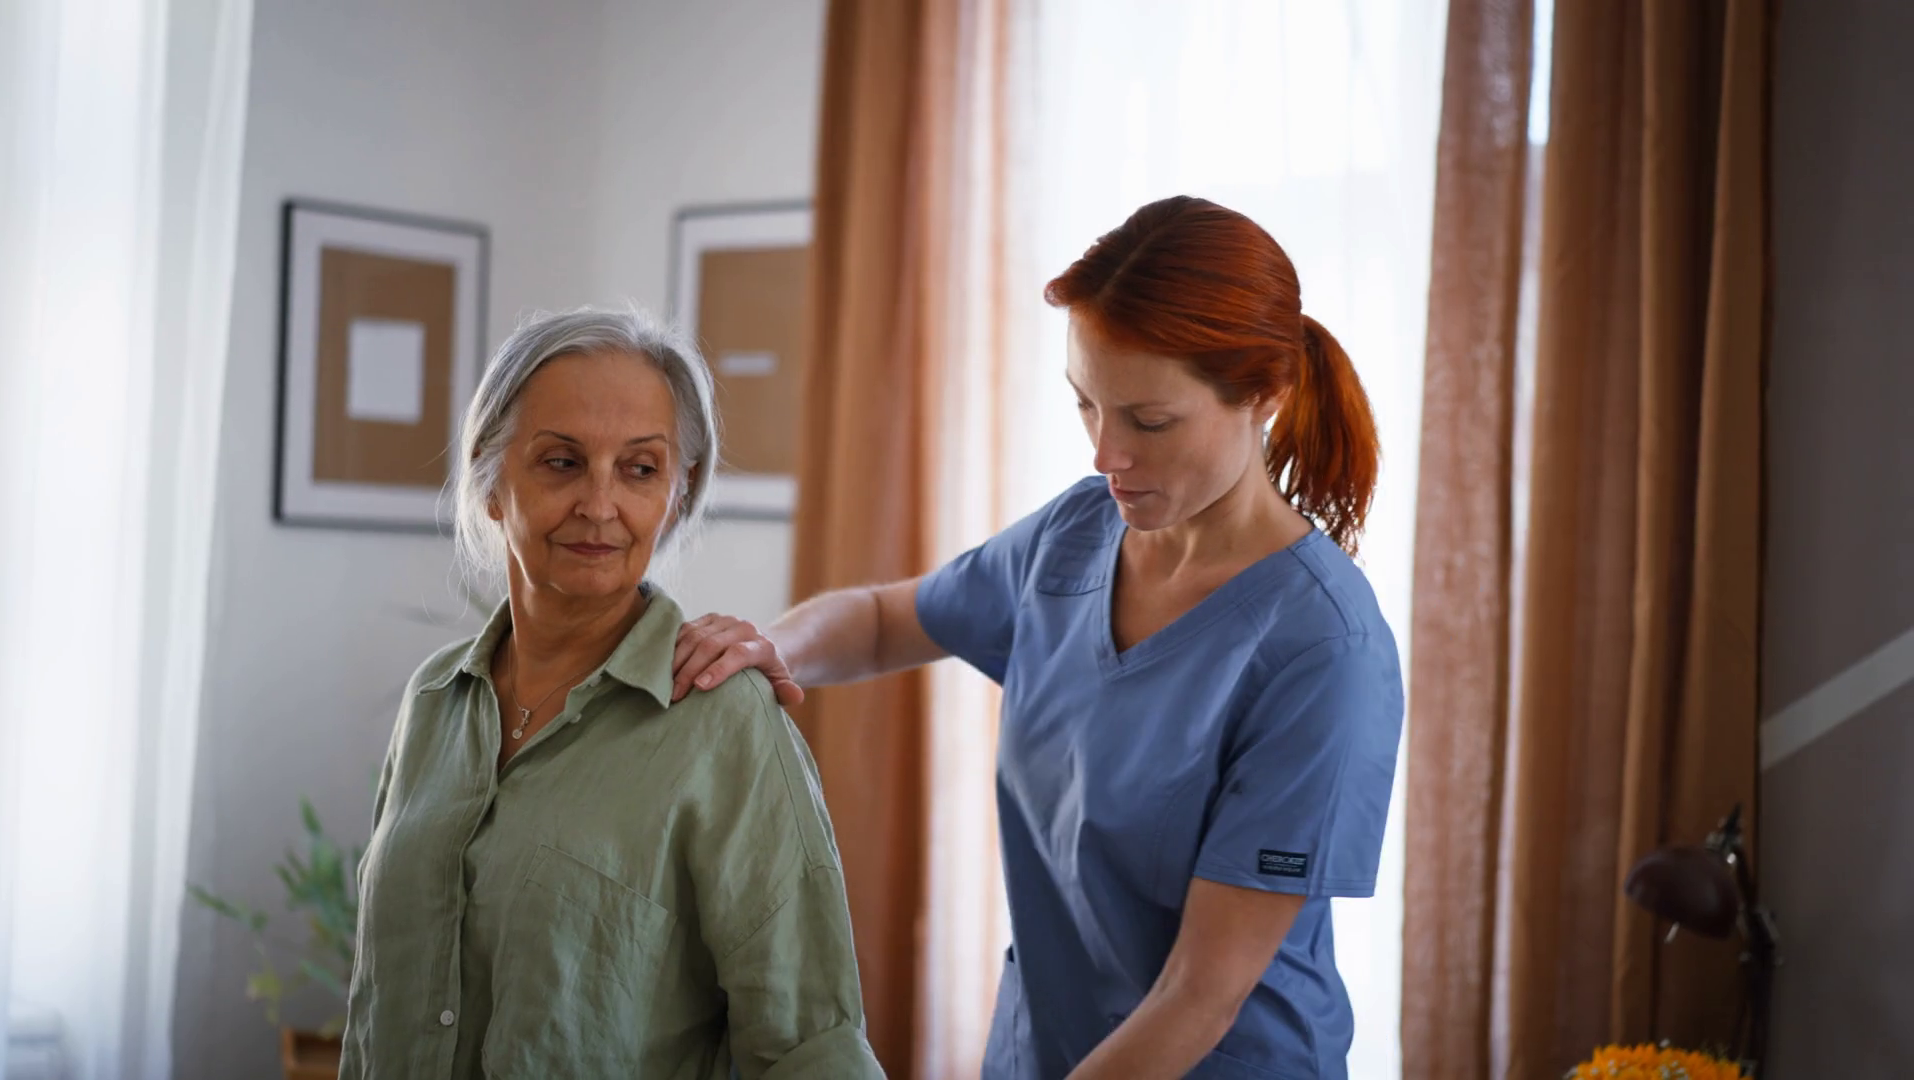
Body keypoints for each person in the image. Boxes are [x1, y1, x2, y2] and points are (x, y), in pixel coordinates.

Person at [674, 196, 1405, 1079]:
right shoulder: (1075, 539)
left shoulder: (1325, 651)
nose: (1107, 454)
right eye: (1086, 406)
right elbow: (878, 623)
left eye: (1149, 421)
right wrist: (770, 649)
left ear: (1263, 396)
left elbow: (1201, 995)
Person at [340, 308, 885, 1080]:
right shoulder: (435, 700)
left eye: (639, 469)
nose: (600, 505)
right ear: (492, 481)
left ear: (676, 494)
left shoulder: (723, 719)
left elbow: (810, 1048)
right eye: (562, 462)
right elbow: (375, 1010)